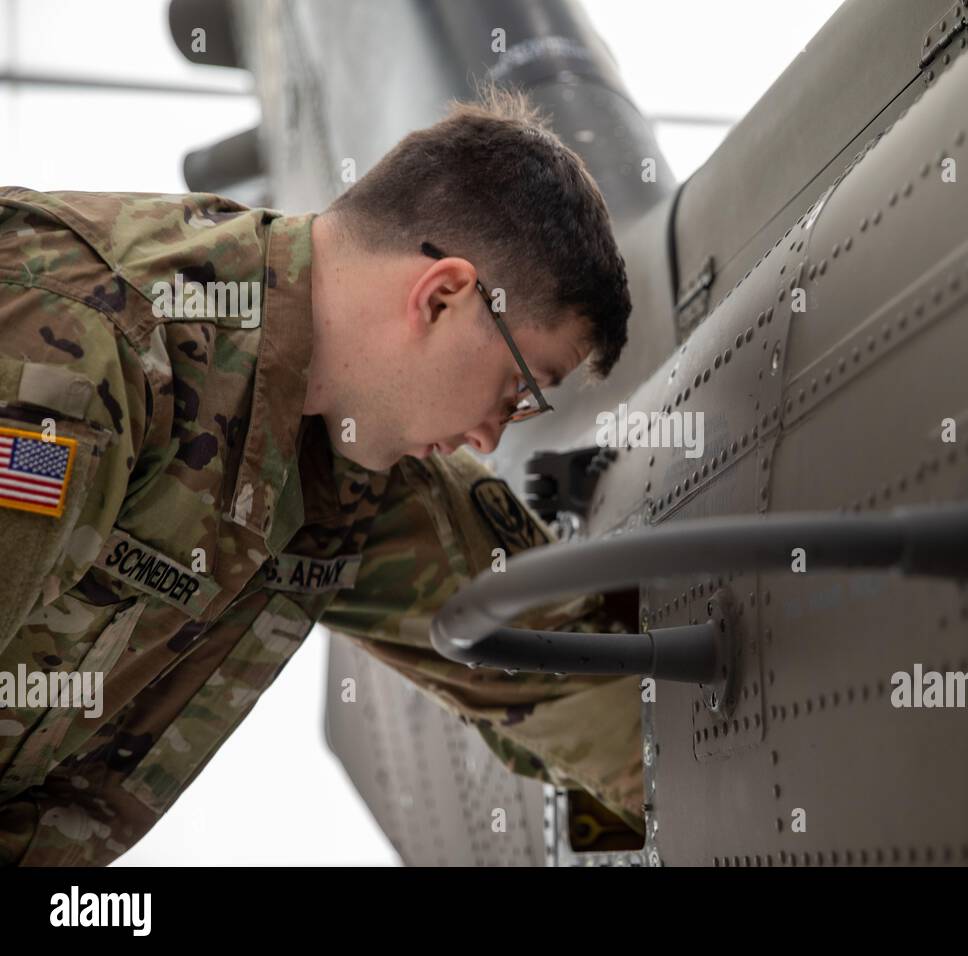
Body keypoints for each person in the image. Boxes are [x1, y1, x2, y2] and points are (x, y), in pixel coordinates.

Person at [0, 85, 643, 865]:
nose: (489, 431)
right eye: (520, 391)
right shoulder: (77, 342)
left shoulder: (353, 460)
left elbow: (556, 674)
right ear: (441, 297)